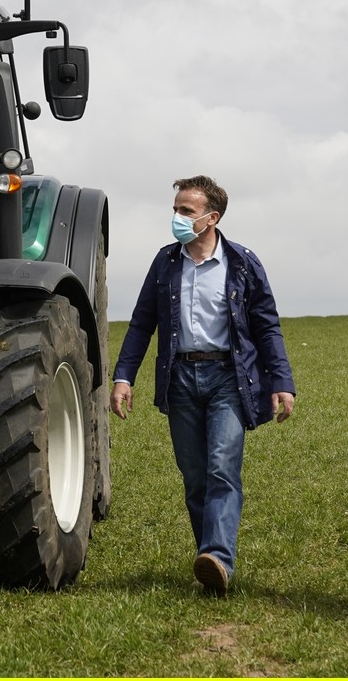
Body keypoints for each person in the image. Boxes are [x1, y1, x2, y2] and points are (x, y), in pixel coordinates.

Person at [111, 175, 296, 594]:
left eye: (186, 211)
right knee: (195, 477)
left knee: (221, 468)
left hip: (228, 378)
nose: (177, 217)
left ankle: (218, 556)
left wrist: (281, 381)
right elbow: (141, 324)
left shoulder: (243, 263)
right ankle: (210, 564)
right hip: (179, 378)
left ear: (212, 218)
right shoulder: (165, 262)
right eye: (175, 209)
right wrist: (123, 377)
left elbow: (267, 327)